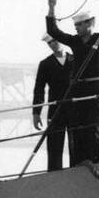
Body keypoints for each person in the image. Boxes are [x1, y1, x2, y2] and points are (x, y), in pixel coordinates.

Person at [44, 0, 99, 165]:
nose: (76, 28)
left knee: (93, 126)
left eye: (79, 24)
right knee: (77, 127)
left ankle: (95, 162)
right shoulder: (75, 42)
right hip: (77, 88)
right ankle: (79, 164)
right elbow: (54, 32)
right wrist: (52, 8)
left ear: (90, 23)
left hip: (94, 87)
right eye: (75, 25)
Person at [32, 33, 74, 171]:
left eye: (55, 41)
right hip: (55, 109)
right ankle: (54, 175)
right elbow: (39, 88)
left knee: (76, 145)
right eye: (49, 43)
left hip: (74, 108)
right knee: (54, 147)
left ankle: (77, 173)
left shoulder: (75, 60)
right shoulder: (45, 64)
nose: (53, 44)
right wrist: (36, 113)